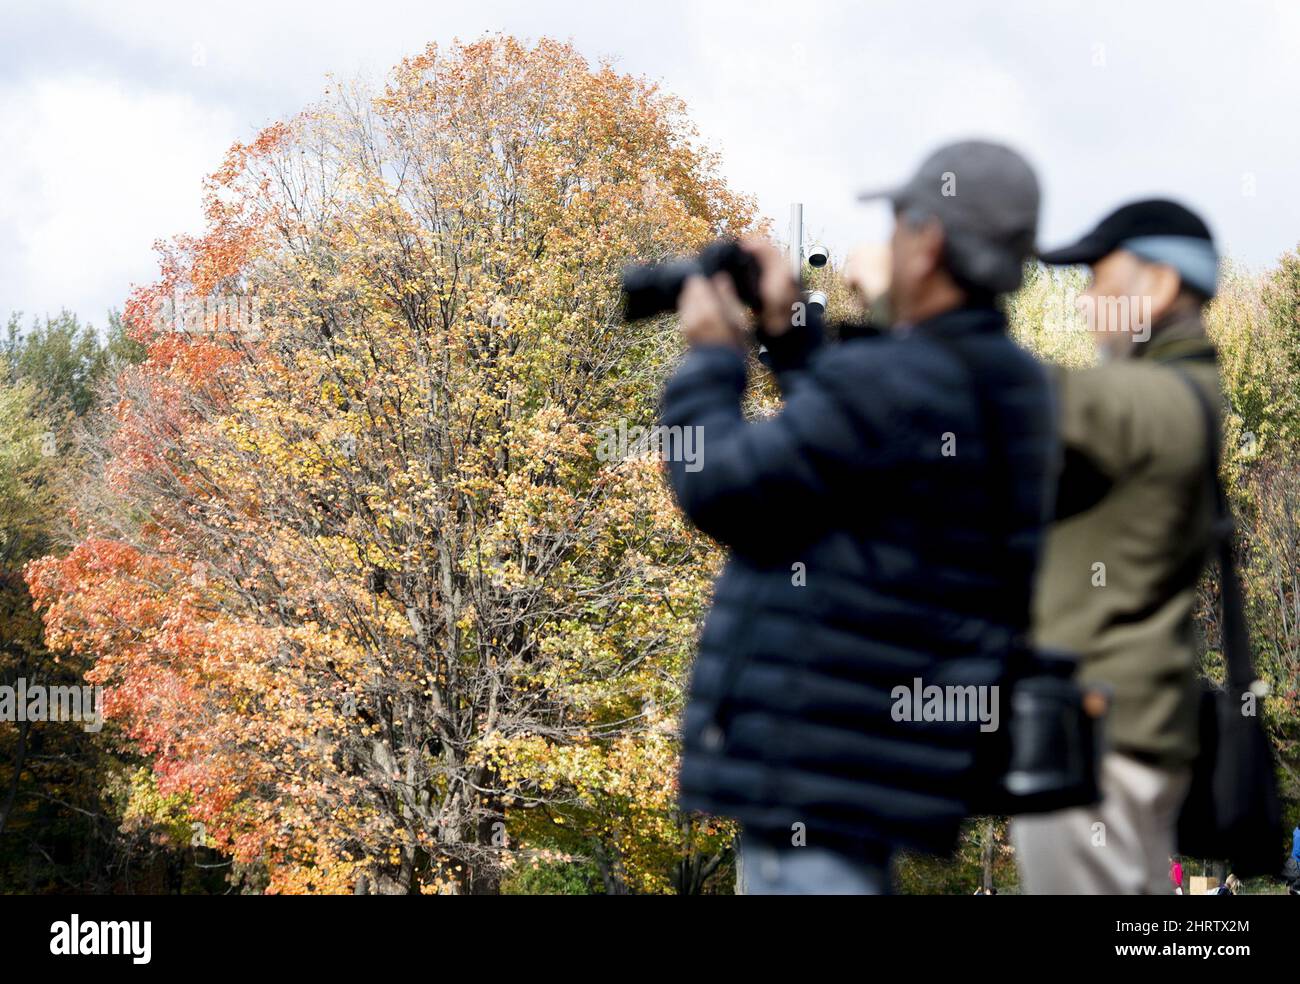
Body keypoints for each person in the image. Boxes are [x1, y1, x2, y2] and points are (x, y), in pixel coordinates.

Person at [661, 141, 1055, 894]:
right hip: (883, 762)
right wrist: (790, 332)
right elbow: (864, 455)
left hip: (817, 773)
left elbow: (721, 487)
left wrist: (712, 359)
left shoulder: (902, 380)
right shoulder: (1014, 386)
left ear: (930, 241)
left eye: (901, 222)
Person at [1012, 200, 1224, 894]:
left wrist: (916, 300)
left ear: (1158, 287)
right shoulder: (1175, 395)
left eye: (1099, 285)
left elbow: (1003, 394)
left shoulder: (1156, 399)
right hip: (1120, 742)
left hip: (1098, 753)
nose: (1086, 308)